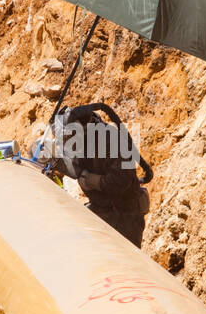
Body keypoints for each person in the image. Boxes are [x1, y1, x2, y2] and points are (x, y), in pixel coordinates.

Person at [48, 103, 152, 247]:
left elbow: (122, 180)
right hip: (101, 209)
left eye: (68, 138)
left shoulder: (112, 141)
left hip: (124, 217)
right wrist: (52, 158)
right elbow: (77, 165)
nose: (67, 144)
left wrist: (90, 180)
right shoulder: (82, 143)